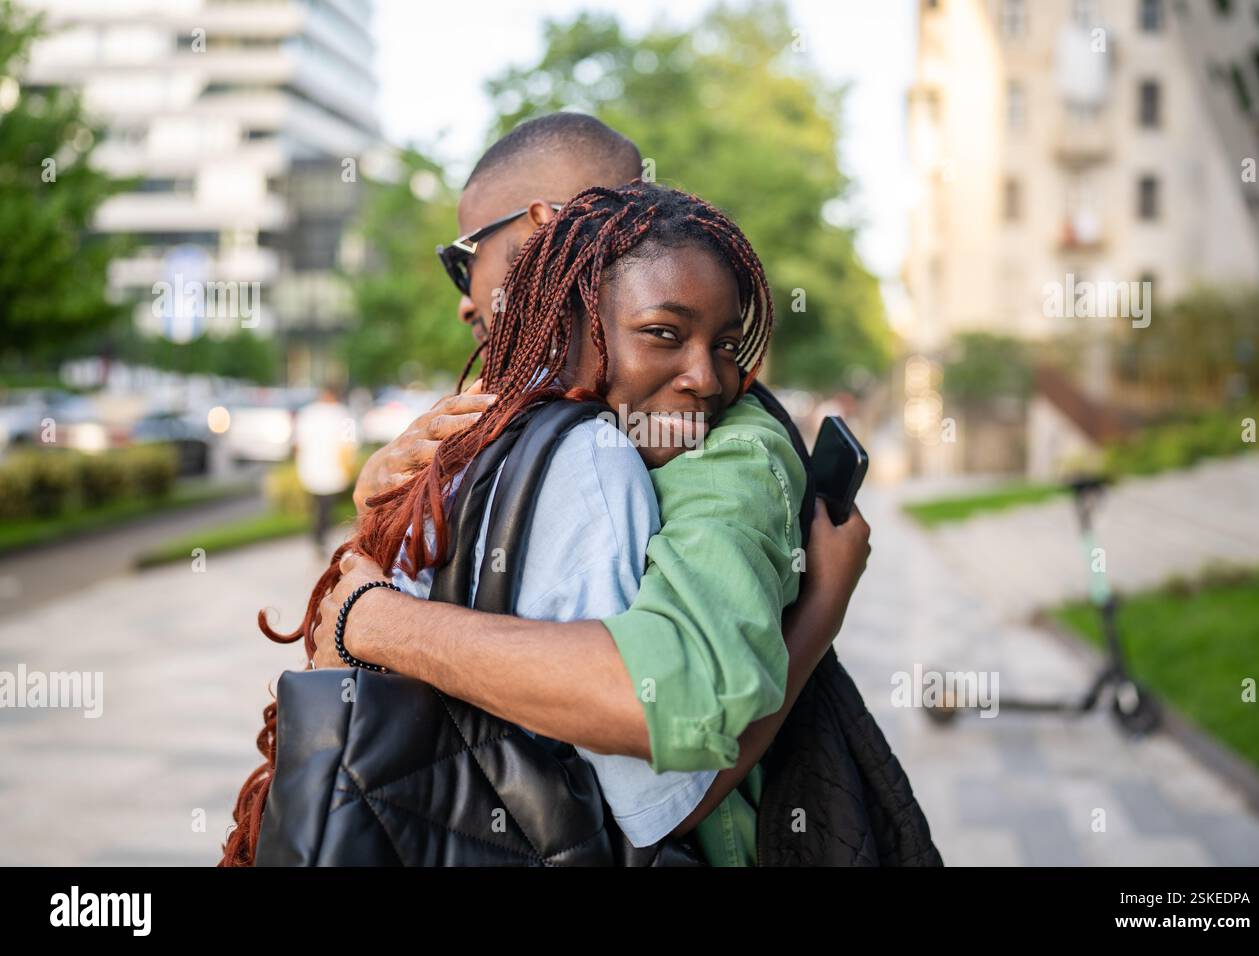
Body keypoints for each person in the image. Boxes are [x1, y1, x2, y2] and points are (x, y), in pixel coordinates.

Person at [221, 118, 870, 868]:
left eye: (465, 260)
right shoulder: (516, 421)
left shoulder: (671, 445)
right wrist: (382, 504)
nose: (466, 301)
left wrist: (376, 622)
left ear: (545, 232)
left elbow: (671, 718)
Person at [292, 385, 356, 556]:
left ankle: (318, 534)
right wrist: (348, 467)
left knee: (318, 504)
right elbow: (347, 445)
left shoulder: (306, 413)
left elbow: (297, 443)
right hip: (332, 468)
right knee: (325, 505)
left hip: (310, 467)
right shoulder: (342, 414)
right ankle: (320, 535)